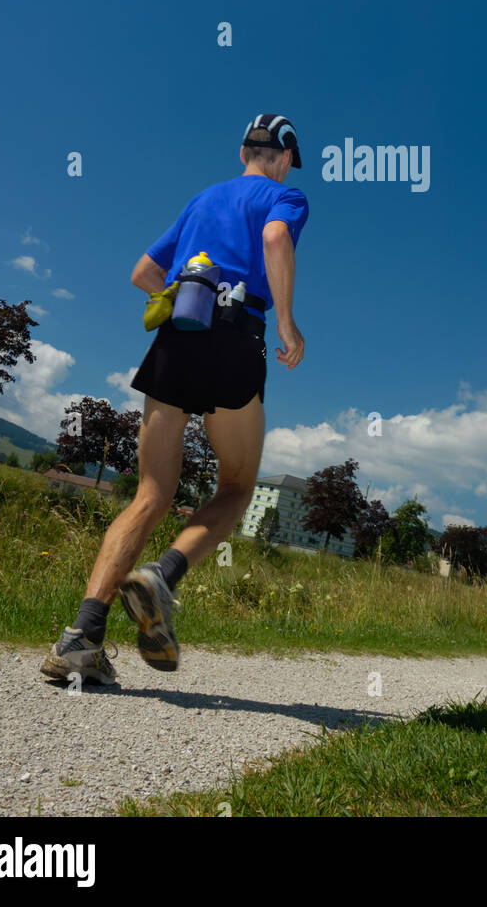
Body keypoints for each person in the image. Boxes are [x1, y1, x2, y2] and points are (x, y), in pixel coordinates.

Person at [40, 113, 308, 685]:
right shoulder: (286, 198)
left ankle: (81, 637)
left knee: (151, 493)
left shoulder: (204, 199)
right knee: (236, 488)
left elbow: (143, 272)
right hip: (238, 340)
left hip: (177, 337)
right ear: (284, 158)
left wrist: (181, 297)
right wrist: (287, 324)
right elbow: (275, 238)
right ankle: (162, 575)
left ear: (243, 151)